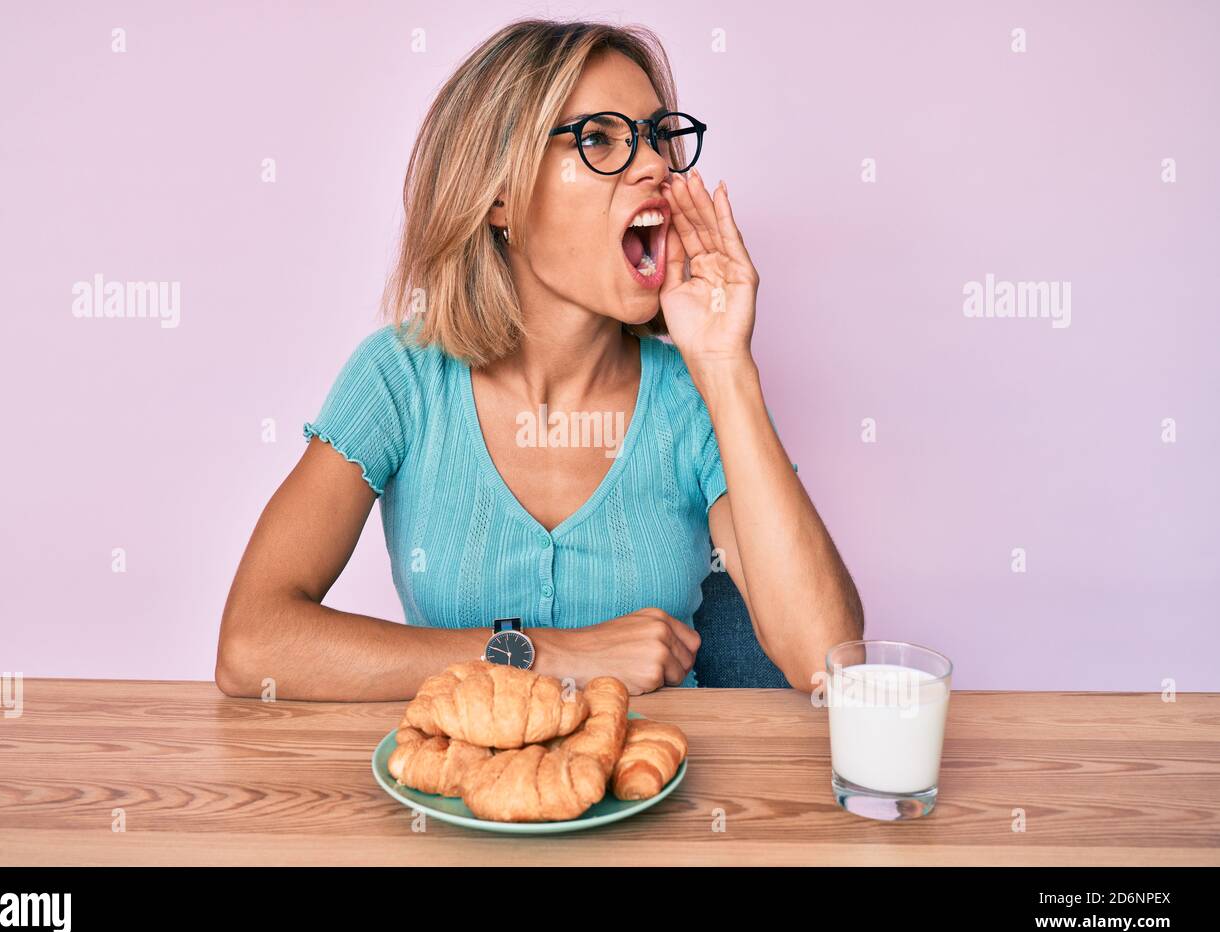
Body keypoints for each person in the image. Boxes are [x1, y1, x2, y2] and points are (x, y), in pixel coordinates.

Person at [215, 18, 863, 703]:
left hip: (662, 794)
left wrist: (727, 367)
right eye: (600, 139)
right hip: (461, 801)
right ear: (500, 197)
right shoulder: (399, 379)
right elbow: (252, 645)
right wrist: (548, 655)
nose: (656, 167)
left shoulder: (694, 398)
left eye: (656, 136)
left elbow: (826, 661)